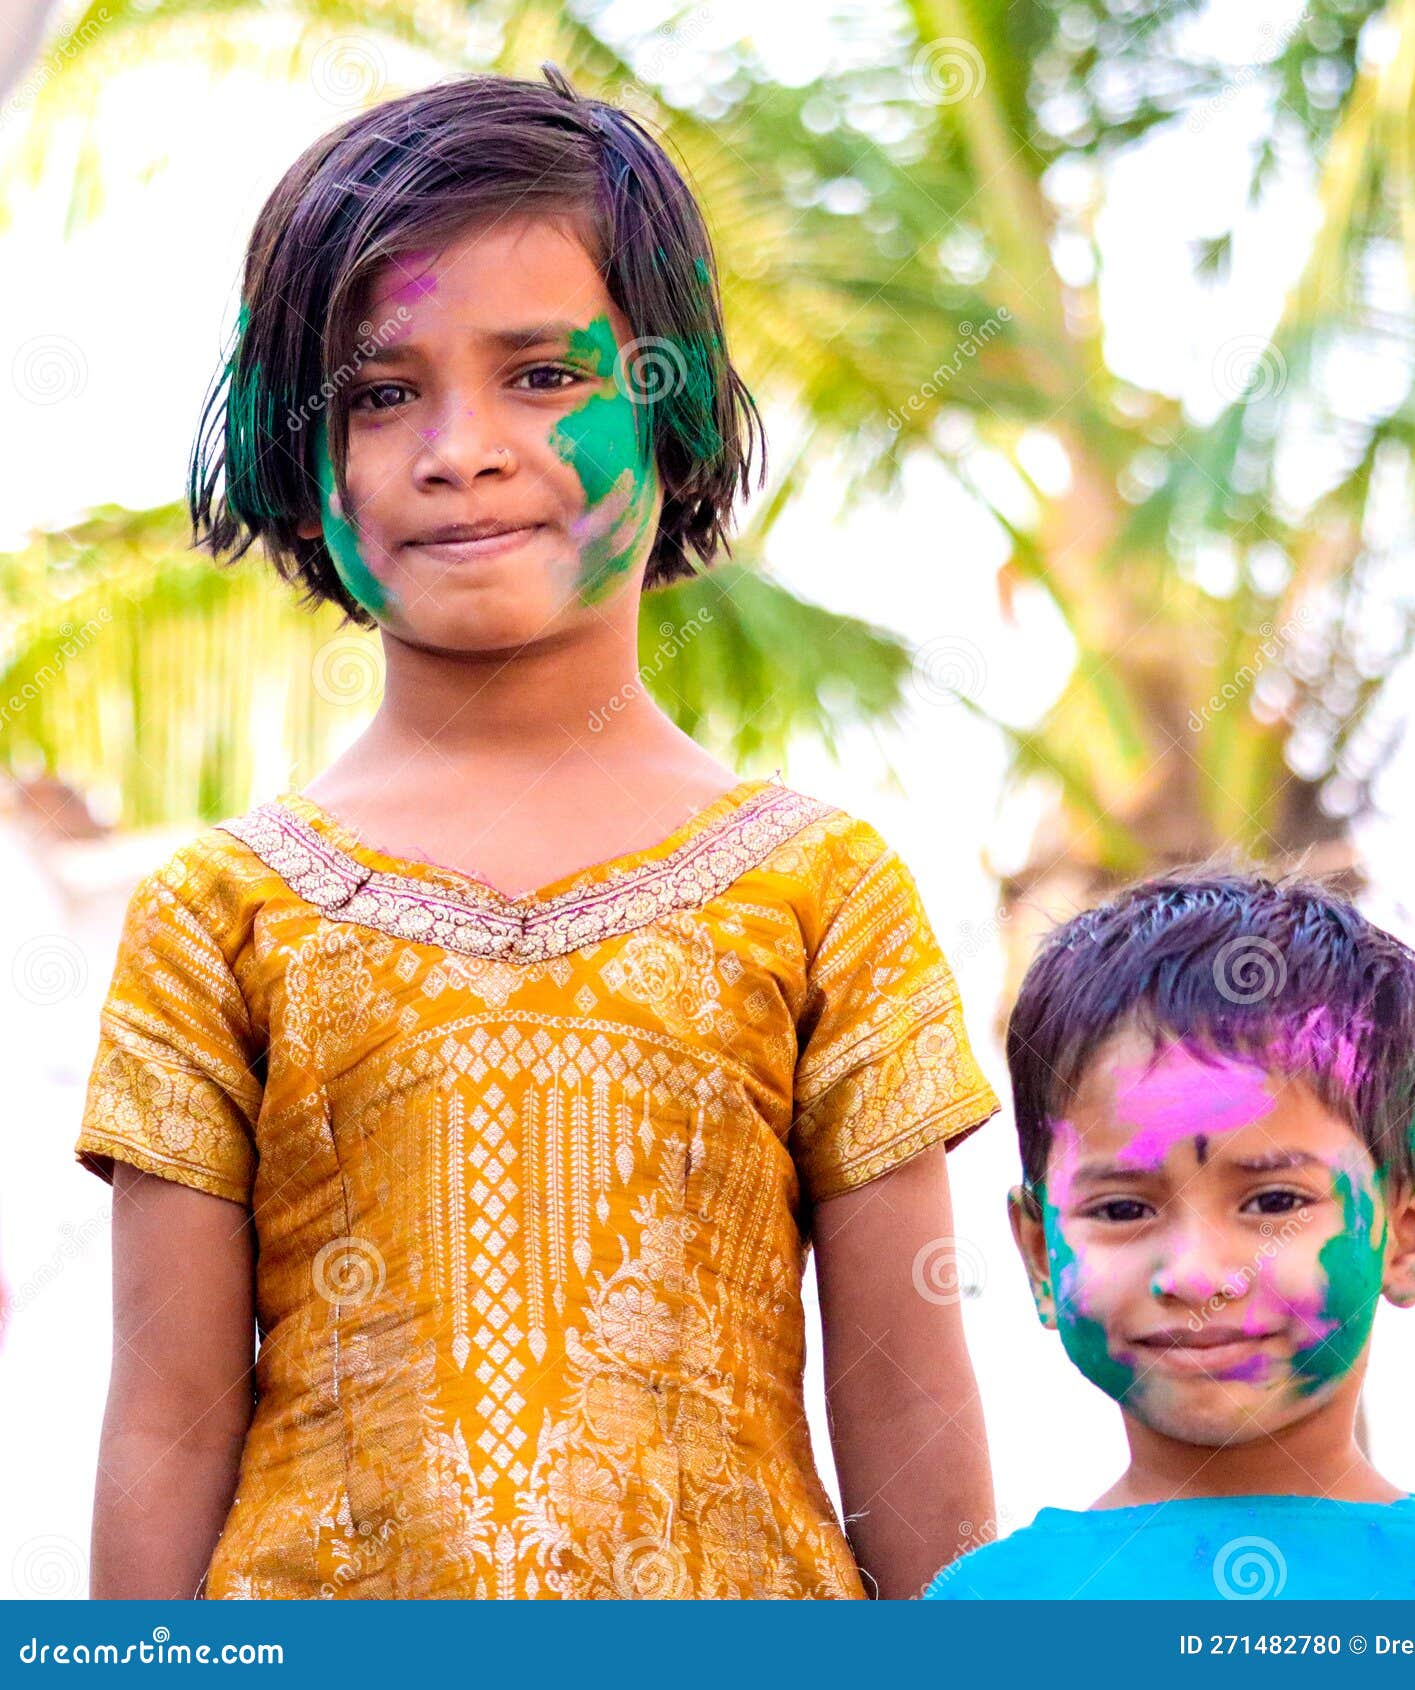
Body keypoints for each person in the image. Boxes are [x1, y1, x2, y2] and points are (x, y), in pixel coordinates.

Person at [76, 68, 1000, 1601]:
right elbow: (168, 1423)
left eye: (543, 376)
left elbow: (905, 1404)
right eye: (380, 393)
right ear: (299, 455)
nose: (462, 448)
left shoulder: (823, 891)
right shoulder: (217, 914)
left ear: (673, 400)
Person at [925, 872, 1415, 1600]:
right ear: (1040, 1256)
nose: (1197, 1275)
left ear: (1408, 1233)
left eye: (1273, 1200)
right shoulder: (991, 1612)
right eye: (1124, 1211)